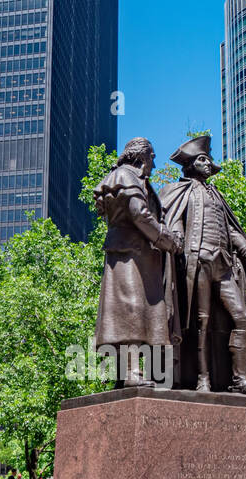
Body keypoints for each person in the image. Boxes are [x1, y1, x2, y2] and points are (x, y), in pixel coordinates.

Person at [160, 134, 246, 394]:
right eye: (202, 159)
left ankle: (239, 379)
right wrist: (176, 241)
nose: (208, 164)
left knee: (241, 317)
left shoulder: (218, 196)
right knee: (201, 322)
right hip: (196, 262)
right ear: (189, 165)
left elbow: (233, 233)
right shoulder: (178, 191)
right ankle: (203, 378)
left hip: (223, 264)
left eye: (209, 160)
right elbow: (173, 221)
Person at [93, 137, 184, 387]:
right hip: (130, 253)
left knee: (131, 311)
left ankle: (125, 376)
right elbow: (140, 215)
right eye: (152, 158)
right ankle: (131, 373)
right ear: (142, 156)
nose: (154, 165)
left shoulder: (124, 176)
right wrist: (168, 240)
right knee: (130, 310)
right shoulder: (126, 175)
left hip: (134, 254)